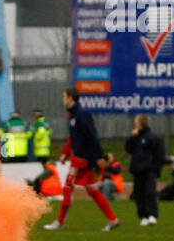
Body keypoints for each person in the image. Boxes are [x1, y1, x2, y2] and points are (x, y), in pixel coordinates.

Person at [44, 88, 120, 231]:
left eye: (64, 96)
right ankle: (113, 219)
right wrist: (65, 153)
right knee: (92, 190)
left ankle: (60, 223)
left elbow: (92, 135)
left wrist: (100, 156)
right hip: (79, 158)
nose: (62, 99)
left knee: (67, 188)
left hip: (82, 160)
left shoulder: (81, 114)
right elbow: (74, 137)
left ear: (71, 98)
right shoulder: (73, 115)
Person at [124, 114, 165, 226]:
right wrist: (131, 137)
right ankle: (143, 216)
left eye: (137, 122)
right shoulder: (135, 137)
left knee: (150, 192)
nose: (135, 124)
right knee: (139, 194)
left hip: (149, 170)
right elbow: (128, 149)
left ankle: (152, 215)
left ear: (141, 123)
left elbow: (160, 154)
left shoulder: (152, 137)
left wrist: (156, 169)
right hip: (137, 170)